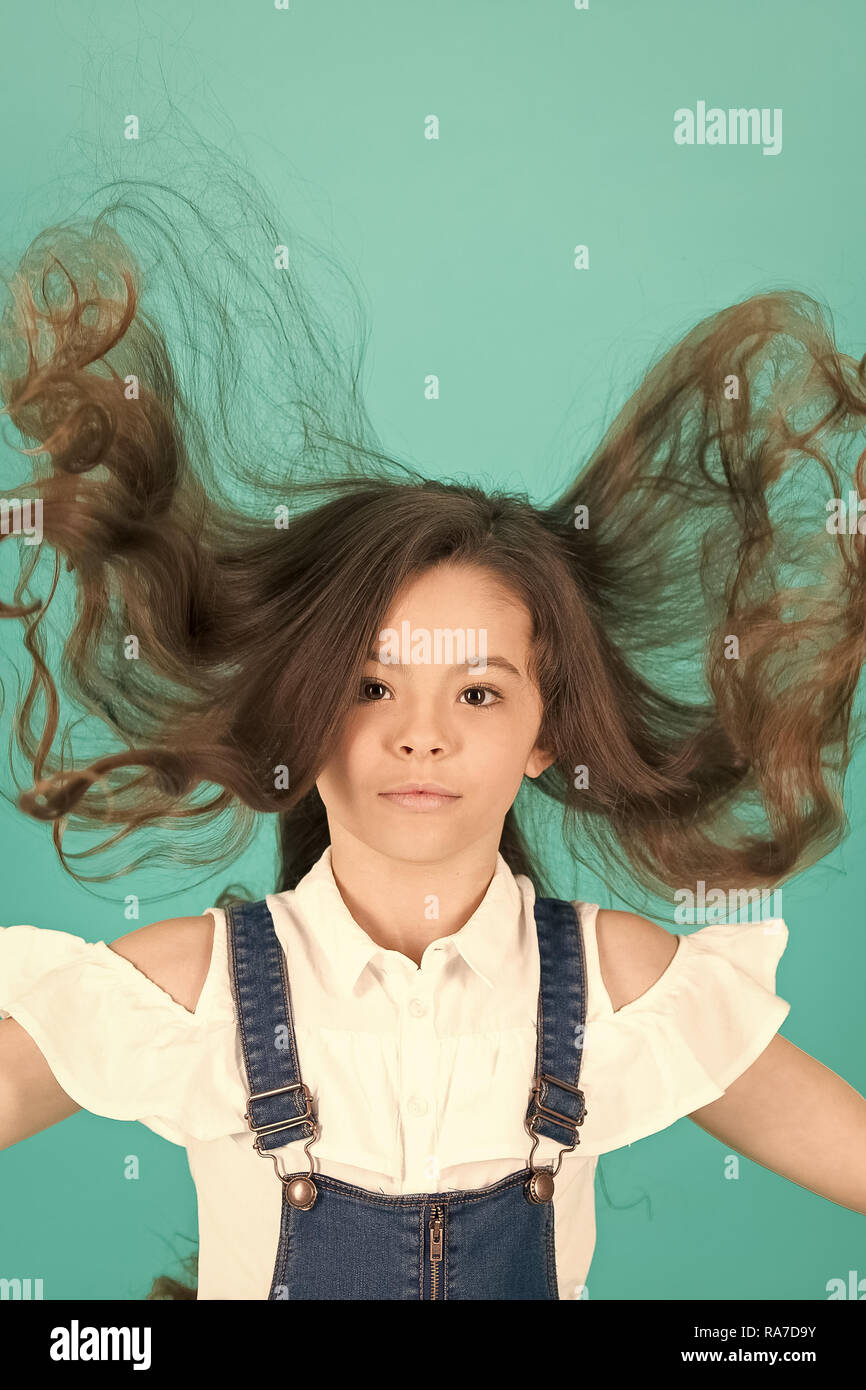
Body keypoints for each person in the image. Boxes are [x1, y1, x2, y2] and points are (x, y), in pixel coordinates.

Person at [1, 151, 865, 1299]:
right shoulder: (182, 987)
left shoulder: (623, 985)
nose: (421, 735)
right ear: (303, 717)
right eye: (369, 686)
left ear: (546, 735)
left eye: (478, 692)